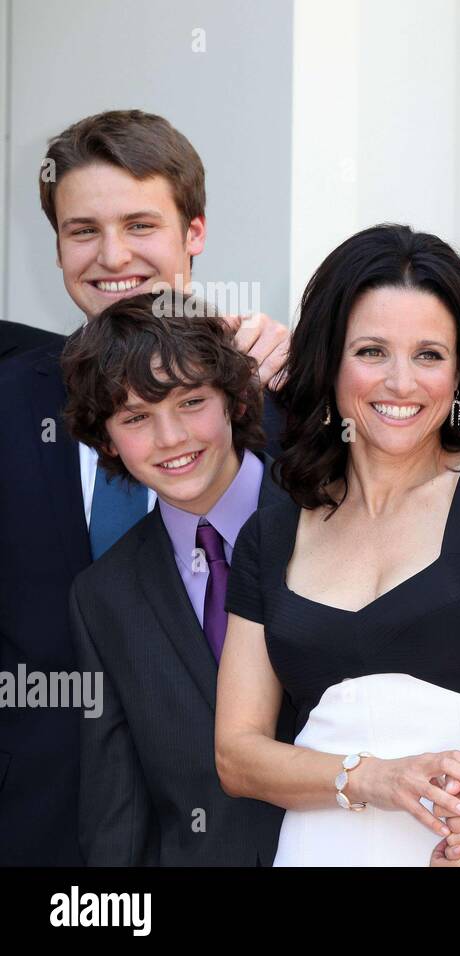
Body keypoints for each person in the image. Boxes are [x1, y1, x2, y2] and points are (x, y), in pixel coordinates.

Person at [213, 224, 460, 866]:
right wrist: (372, 778)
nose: (401, 383)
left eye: (429, 355)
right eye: (371, 351)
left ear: (458, 370)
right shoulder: (274, 529)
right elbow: (237, 753)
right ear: (329, 360)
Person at [0, 109, 290, 865]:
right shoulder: (5, 406)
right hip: (41, 830)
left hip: (276, 830)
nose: (112, 255)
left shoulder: (291, 396)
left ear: (194, 232)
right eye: (83, 230)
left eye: (140, 224)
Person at [62, 293, 292, 865]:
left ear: (235, 402)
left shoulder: (332, 518)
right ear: (107, 439)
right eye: (136, 417)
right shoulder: (102, 598)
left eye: (190, 402)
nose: (170, 438)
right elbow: (118, 813)